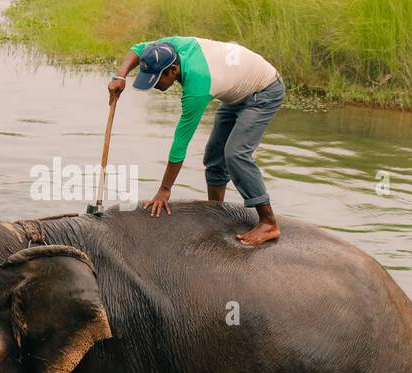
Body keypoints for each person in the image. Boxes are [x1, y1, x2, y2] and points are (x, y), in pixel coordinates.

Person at [108, 35, 284, 246]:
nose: (154, 85)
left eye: (156, 79)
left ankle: (268, 222)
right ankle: (216, 210)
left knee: (235, 154)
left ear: (173, 70)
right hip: (236, 91)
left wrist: (165, 190)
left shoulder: (197, 87)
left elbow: (180, 144)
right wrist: (120, 76)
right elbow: (138, 48)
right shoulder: (170, 47)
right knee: (214, 155)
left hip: (263, 91)